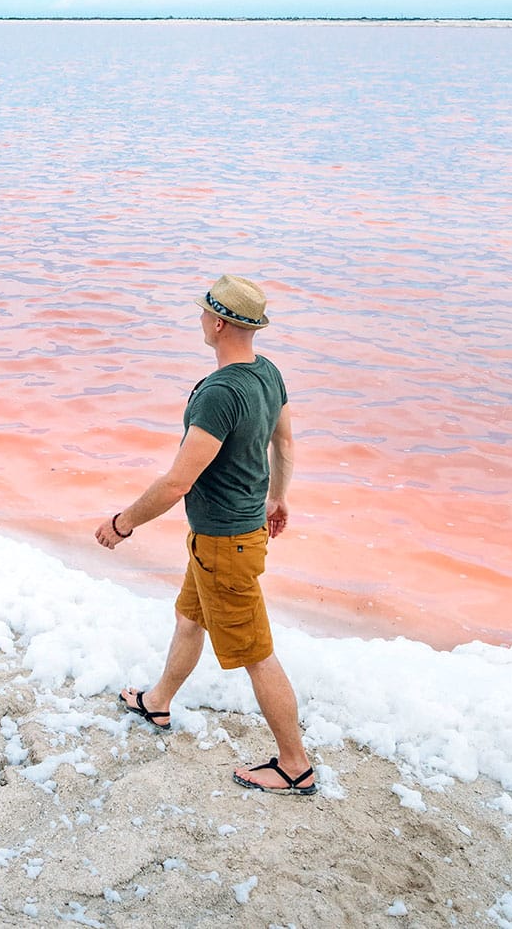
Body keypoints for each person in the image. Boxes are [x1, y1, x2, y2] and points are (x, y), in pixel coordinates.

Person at [93, 274, 314, 796]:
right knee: (190, 618)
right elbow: (283, 444)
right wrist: (279, 498)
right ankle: (158, 701)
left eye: (202, 314)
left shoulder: (219, 393)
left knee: (256, 653)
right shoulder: (268, 374)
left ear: (217, 323)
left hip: (226, 543)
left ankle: (295, 764)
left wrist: (122, 524)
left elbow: (177, 481)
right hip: (230, 535)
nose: (199, 321)